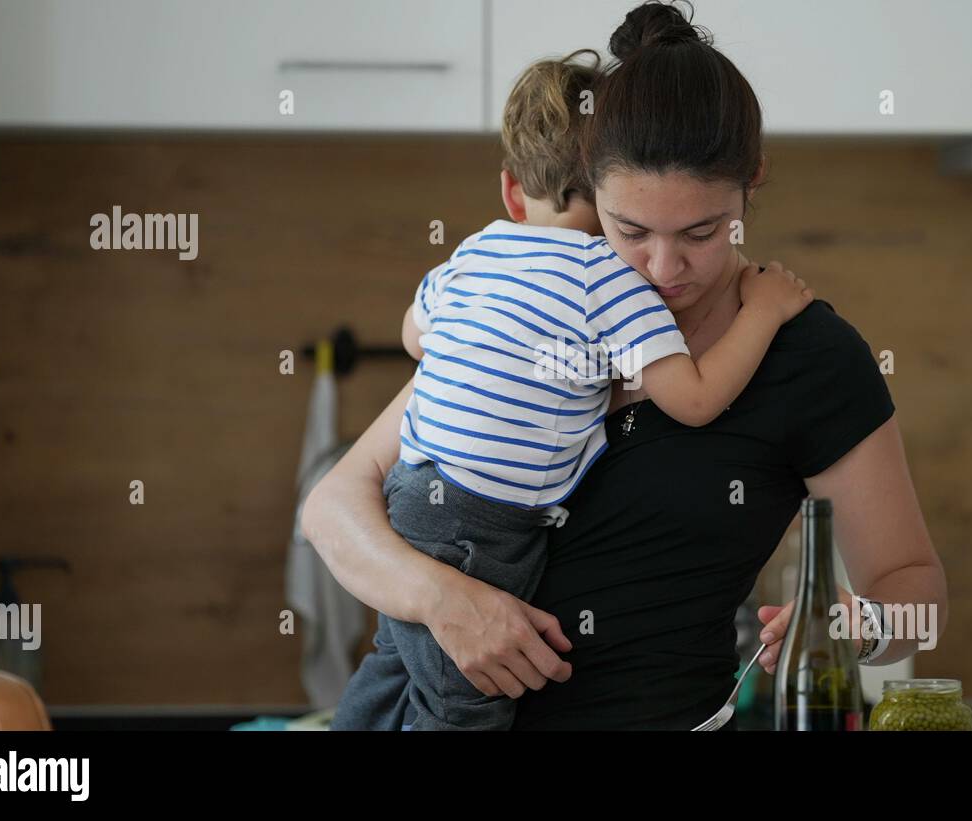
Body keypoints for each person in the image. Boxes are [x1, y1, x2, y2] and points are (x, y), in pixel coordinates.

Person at [304, 0, 946, 731]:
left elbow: (916, 589)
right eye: (629, 229)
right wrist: (444, 600)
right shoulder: (536, 308)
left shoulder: (810, 359)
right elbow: (332, 508)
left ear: (752, 185)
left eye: (701, 232)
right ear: (592, 189)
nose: (663, 268)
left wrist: (861, 624)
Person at [334, 48, 813, 731]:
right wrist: (764, 310)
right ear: (614, 184)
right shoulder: (607, 280)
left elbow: (416, 336)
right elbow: (697, 399)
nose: (657, 261)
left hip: (415, 493)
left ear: (510, 190)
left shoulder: (473, 252)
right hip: (486, 529)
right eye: (634, 229)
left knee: (395, 661)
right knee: (465, 704)